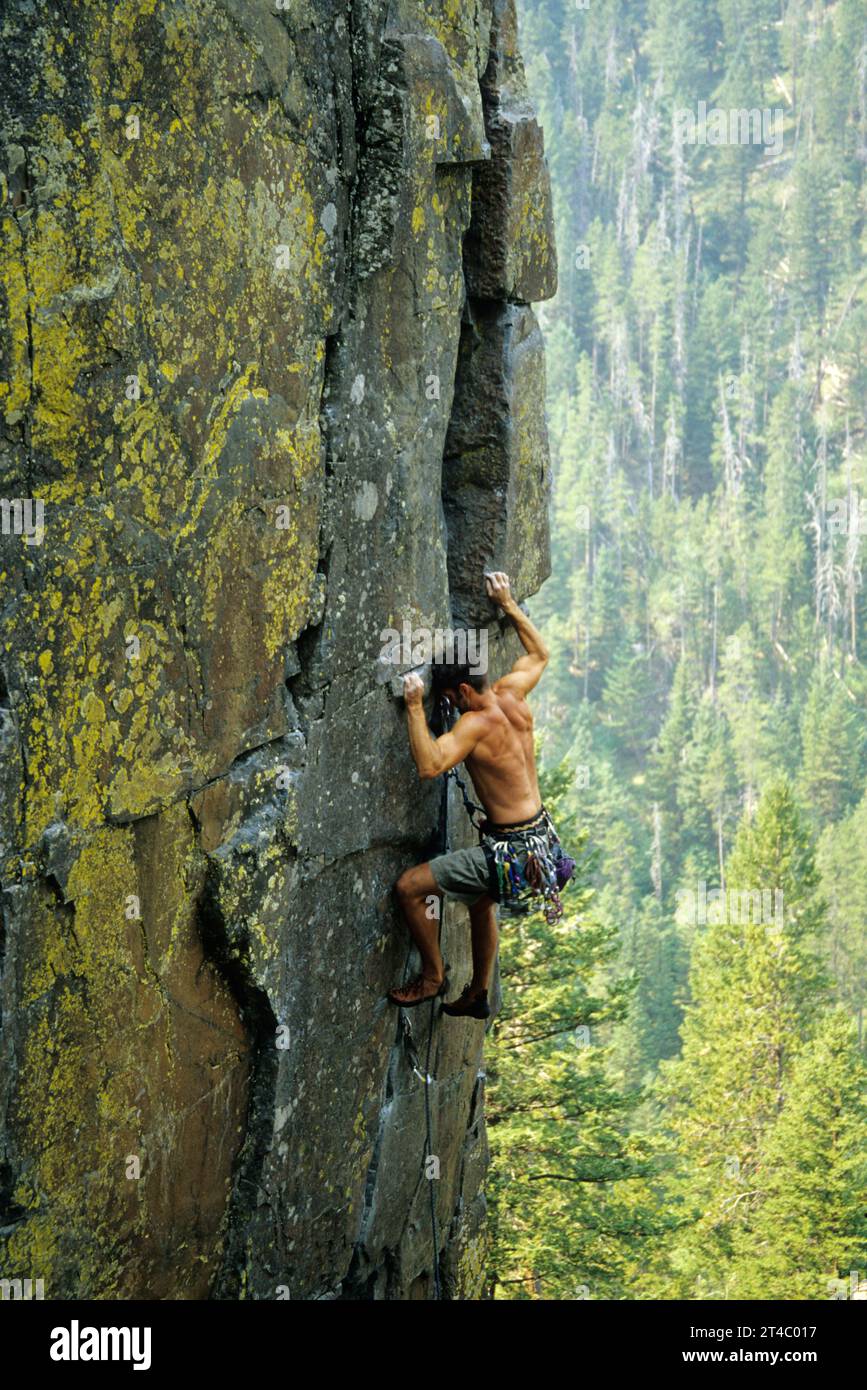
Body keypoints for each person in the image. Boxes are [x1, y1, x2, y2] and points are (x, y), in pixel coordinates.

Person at [388, 571, 568, 1018]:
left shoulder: (474, 725)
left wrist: (414, 706)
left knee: (410, 888)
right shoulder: (514, 694)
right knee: (481, 900)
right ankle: (478, 993)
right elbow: (541, 653)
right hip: (541, 843)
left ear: (464, 690)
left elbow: (430, 765)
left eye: (451, 698)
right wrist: (507, 604)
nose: (450, 705)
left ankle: (433, 976)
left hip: (511, 854)